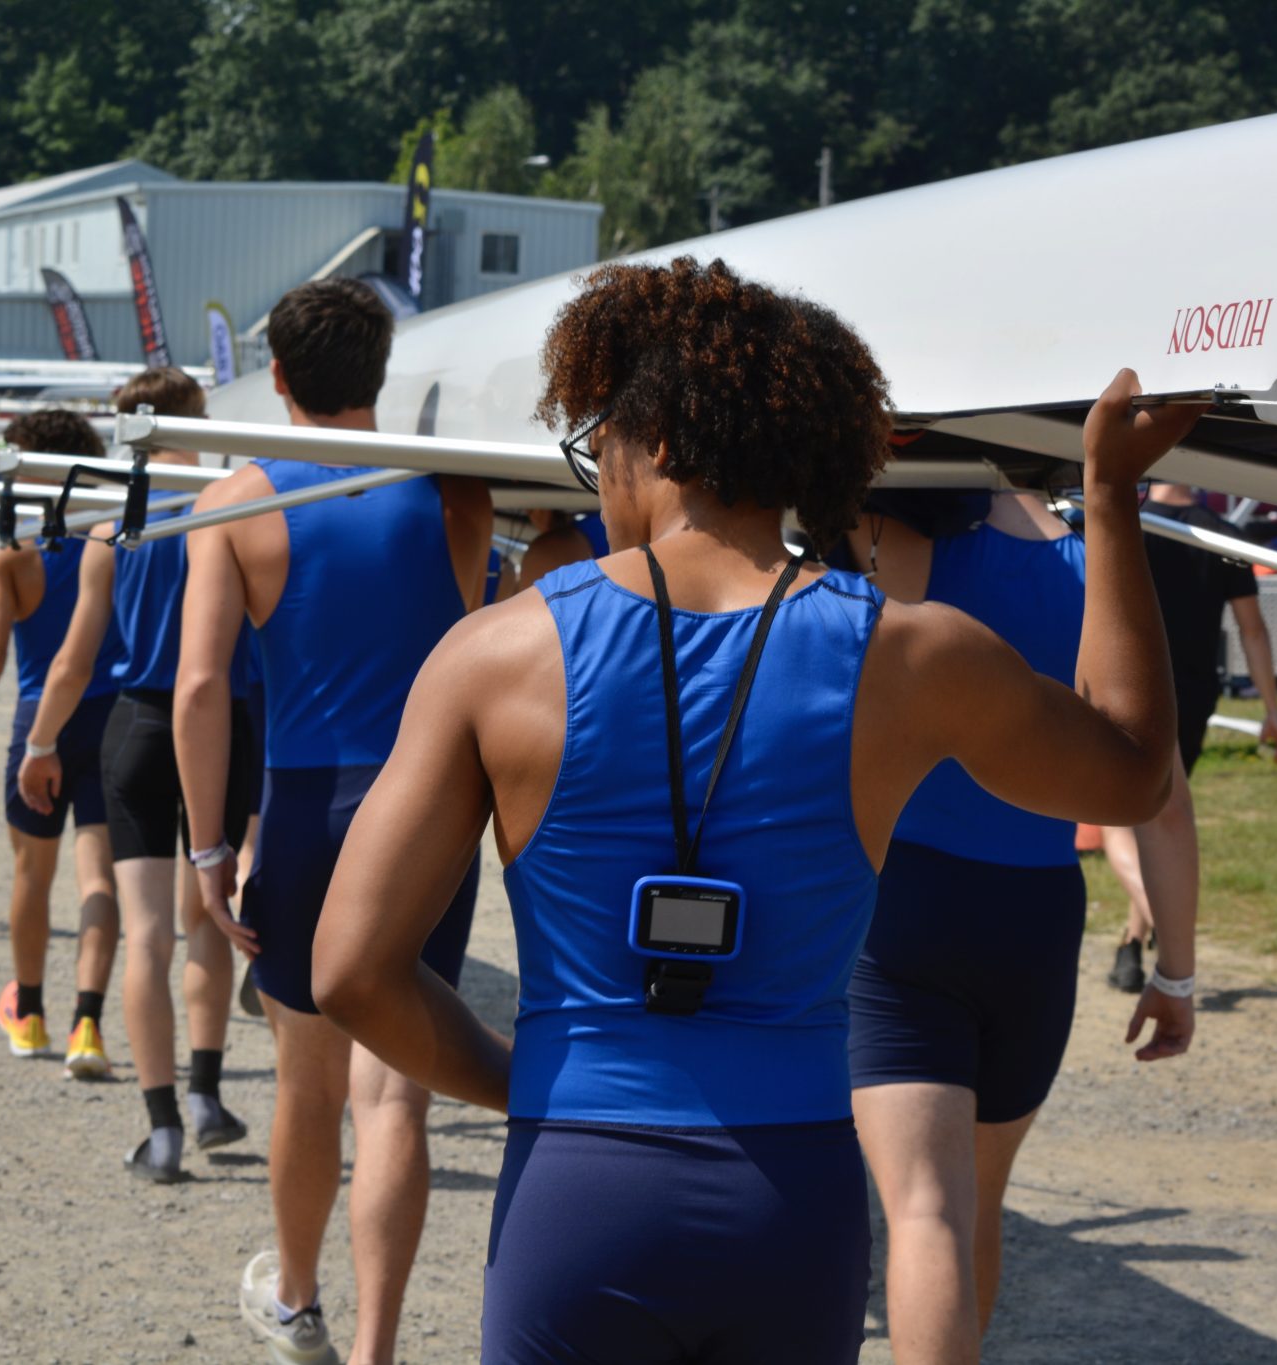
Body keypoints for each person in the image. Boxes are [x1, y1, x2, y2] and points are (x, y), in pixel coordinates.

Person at [309, 257, 1190, 1365]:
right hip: (790, 1193)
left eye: (599, 449)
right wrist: (1105, 501)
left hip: (577, 1187)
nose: (597, 485)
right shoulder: (909, 653)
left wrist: (523, 1080)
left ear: (661, 442)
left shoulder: (495, 655)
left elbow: (348, 968)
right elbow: (1131, 771)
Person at [174, 278, 491, 1364]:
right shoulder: (451, 494)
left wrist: (210, 847)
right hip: (427, 806)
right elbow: (461, 634)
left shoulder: (237, 501)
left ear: (276, 378)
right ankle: (378, 1350)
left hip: (308, 810)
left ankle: (299, 1300)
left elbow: (202, 688)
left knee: (308, 1084)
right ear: (378, 375)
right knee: (392, 1090)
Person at [831, 480, 1198, 1362]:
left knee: (923, 1209)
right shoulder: (1097, 562)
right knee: (973, 1208)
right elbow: (1163, 799)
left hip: (904, 906)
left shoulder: (900, 529)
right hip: (1034, 914)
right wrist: (1175, 970)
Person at [17, 369, 254, 1181]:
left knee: (145, 933)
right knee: (209, 917)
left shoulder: (110, 524)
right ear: (201, 420)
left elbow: (75, 659)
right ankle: (207, 1092)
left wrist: (40, 742)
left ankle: (161, 1133)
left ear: (128, 430)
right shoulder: (238, 503)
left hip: (140, 725)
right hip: (225, 721)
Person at [0, 410, 127, 1082]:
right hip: (112, 716)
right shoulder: (118, 531)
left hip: (40, 718)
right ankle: (89, 1025)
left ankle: (32, 1013)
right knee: (98, 875)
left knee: (31, 874)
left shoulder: (12, 542)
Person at [1101, 482, 1277, 992]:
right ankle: (1130, 945)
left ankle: (1159, 916)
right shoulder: (1224, 534)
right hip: (1194, 693)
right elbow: (1253, 630)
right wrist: (1272, 710)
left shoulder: (1126, 524)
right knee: (1157, 810)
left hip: (1128, 685)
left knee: (1120, 819)